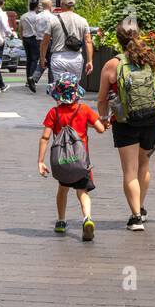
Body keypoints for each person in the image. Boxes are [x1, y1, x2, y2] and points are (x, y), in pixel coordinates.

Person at [96, 20, 155, 233]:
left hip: (125, 122)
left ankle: (136, 216)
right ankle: (140, 207)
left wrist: (103, 118)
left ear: (118, 41)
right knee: (143, 167)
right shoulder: (153, 61)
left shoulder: (112, 65)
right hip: (151, 120)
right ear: (138, 36)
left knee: (129, 172)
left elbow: (102, 98)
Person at [38, 77, 106, 242]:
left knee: (63, 189)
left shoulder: (54, 113)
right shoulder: (84, 110)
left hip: (62, 162)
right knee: (82, 192)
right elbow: (101, 129)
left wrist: (40, 161)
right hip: (81, 161)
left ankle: (61, 221)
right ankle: (87, 218)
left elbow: (45, 137)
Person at [40, 0, 94, 90]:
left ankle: (60, 105)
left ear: (62, 4)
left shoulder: (53, 20)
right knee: (74, 88)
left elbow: (45, 42)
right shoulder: (82, 20)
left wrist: (43, 57)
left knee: (59, 89)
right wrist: (89, 61)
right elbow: (88, 41)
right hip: (75, 57)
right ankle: (73, 105)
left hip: (58, 57)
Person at [18, 0, 43, 92]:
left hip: (25, 39)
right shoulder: (37, 17)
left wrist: (22, 39)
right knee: (34, 59)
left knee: (28, 60)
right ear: (36, 7)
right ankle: (31, 79)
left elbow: (20, 29)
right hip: (34, 39)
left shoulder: (23, 16)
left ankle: (27, 79)